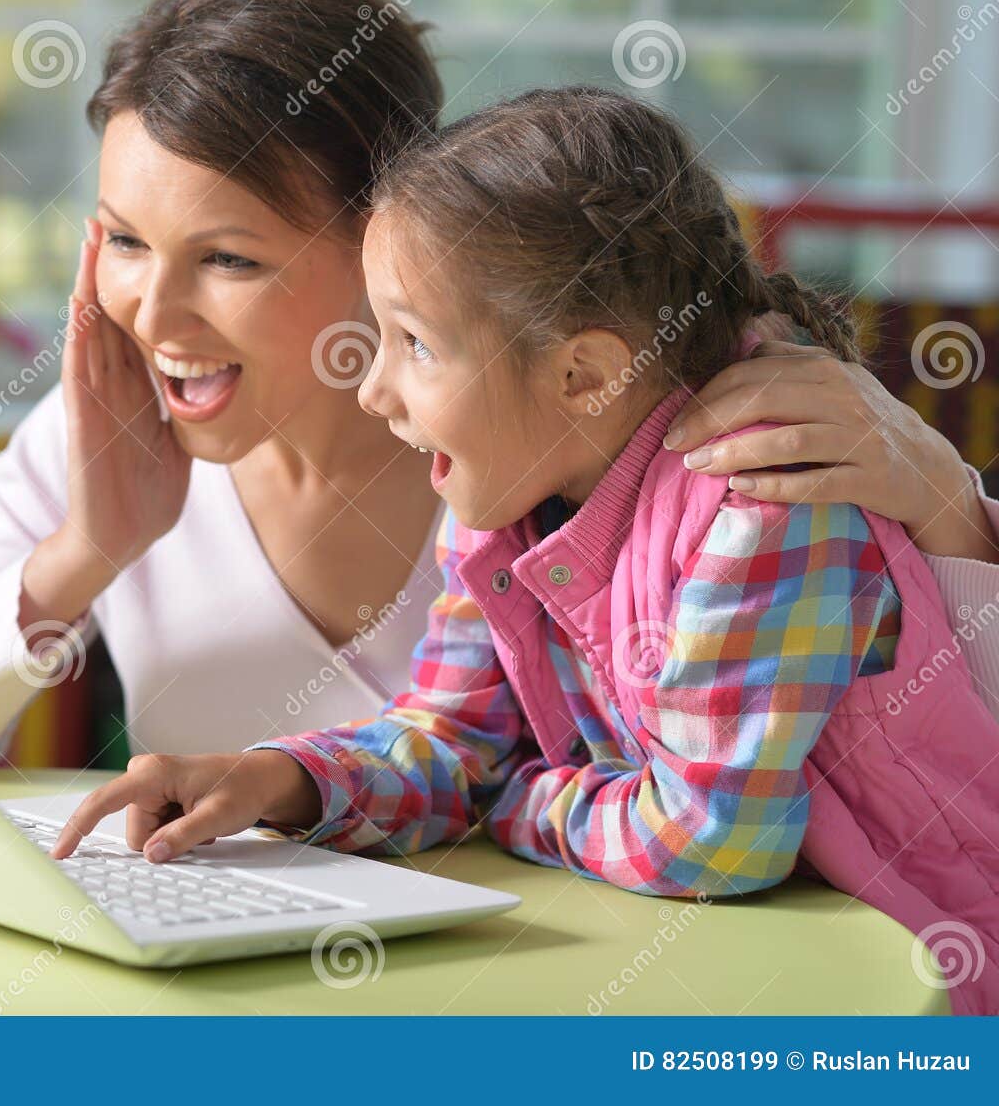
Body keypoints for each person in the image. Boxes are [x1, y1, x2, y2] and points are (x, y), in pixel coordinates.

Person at [0, 0, 999, 772]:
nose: (154, 313)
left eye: (230, 259)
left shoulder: (575, 438)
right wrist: (81, 556)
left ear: (386, 239)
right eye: (127, 243)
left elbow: (911, 756)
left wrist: (948, 508)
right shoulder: (97, 439)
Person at [51, 86, 999, 1014]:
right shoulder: (503, 493)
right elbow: (454, 741)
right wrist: (280, 780)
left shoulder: (757, 504)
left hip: (930, 981)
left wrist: (523, 801)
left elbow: (713, 840)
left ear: (581, 373)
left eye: (414, 343)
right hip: (755, 973)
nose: (374, 390)